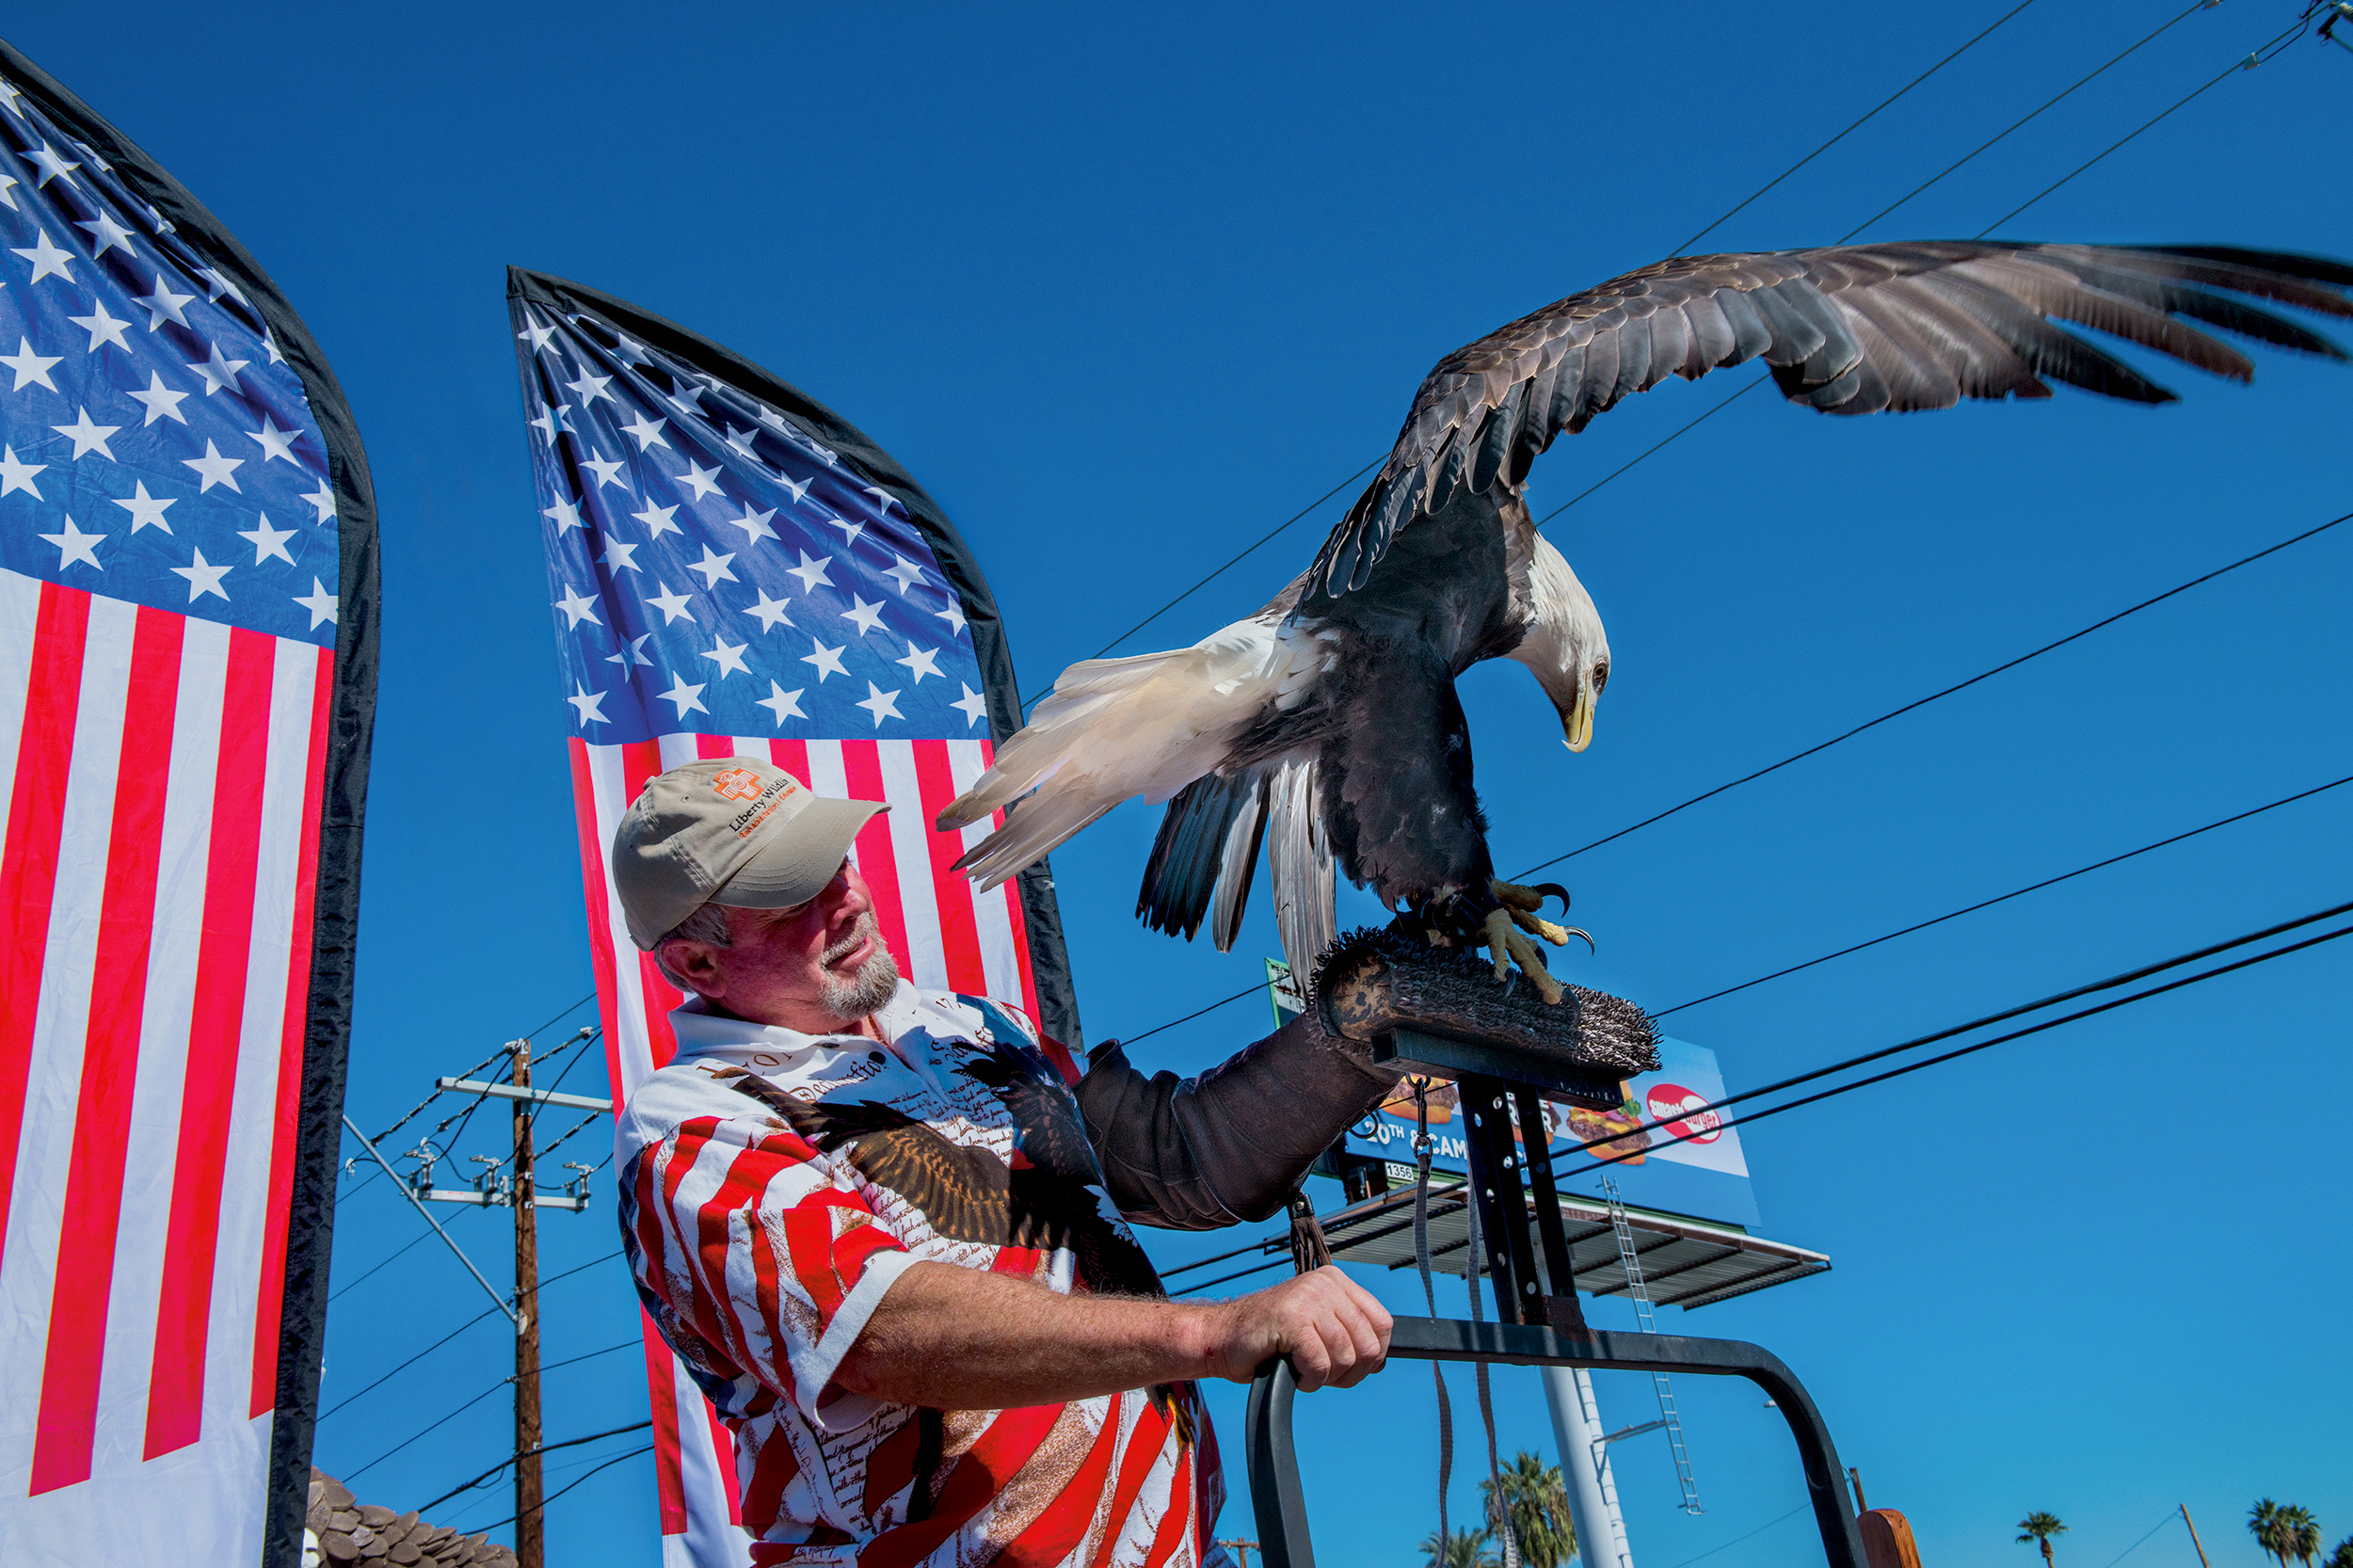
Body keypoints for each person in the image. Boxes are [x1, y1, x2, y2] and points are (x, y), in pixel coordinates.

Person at [611, 756, 1403, 1568]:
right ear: (694, 964)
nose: (844, 901)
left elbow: (1181, 1159)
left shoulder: (976, 1027)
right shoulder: (693, 1127)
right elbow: (880, 1328)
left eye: (836, 862)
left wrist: (1367, 1028)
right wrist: (1213, 1331)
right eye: (790, 897)